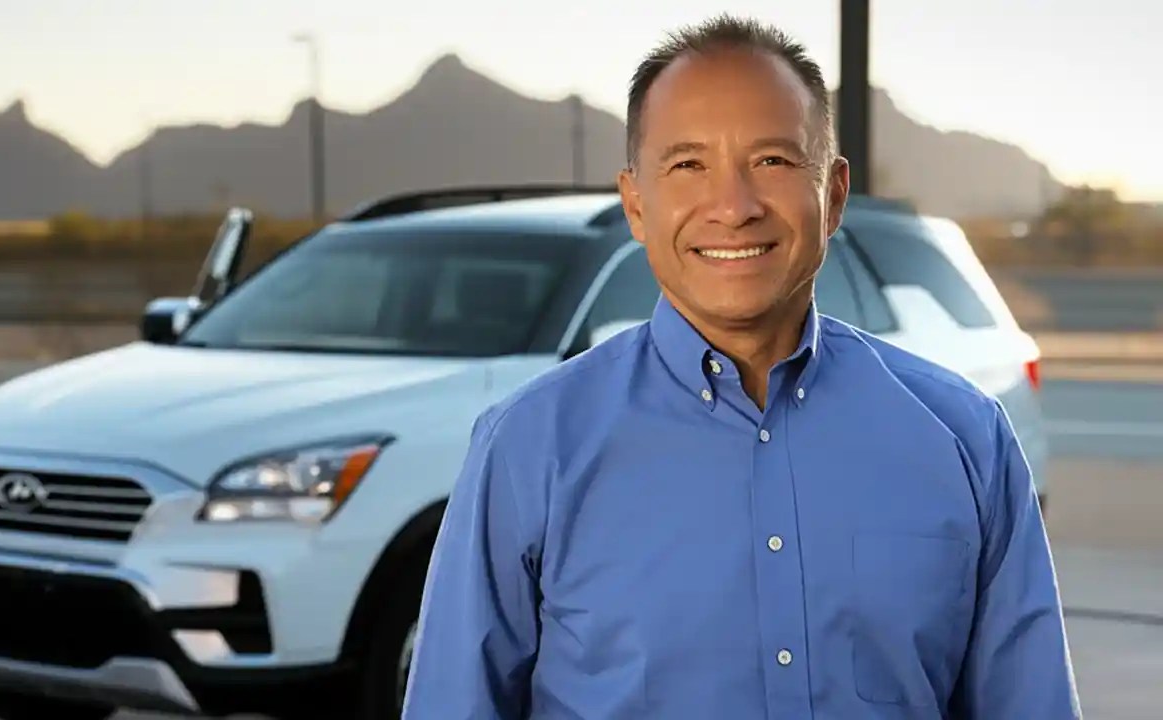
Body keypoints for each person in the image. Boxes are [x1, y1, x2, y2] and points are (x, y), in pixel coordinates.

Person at [401, 13, 1081, 719]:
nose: (733, 207)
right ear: (636, 203)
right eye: (688, 165)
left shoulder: (966, 439)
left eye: (774, 162)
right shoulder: (528, 446)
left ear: (835, 194)